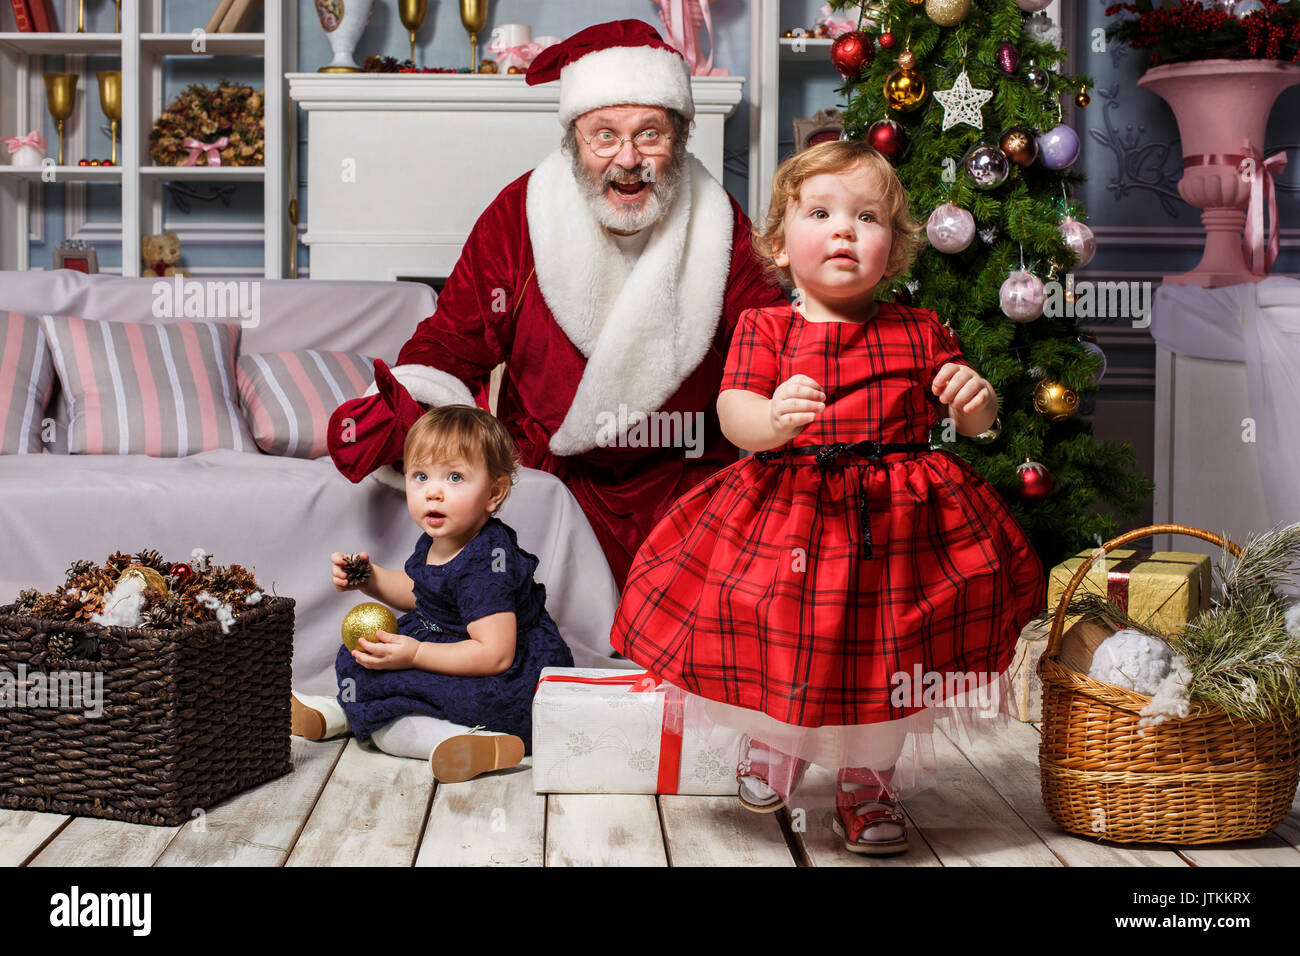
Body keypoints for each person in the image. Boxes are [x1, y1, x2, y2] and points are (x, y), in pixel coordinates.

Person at [608, 141, 1046, 854]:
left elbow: (974, 417)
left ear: (894, 252)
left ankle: (867, 781)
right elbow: (732, 412)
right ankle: (776, 744)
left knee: (887, 652)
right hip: (792, 510)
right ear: (780, 247)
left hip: (897, 525)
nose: (845, 229)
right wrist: (772, 420)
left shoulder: (920, 329)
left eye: (867, 217)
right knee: (772, 629)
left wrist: (977, 401)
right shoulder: (767, 327)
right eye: (822, 213)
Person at [327, 19, 787, 591]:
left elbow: (771, 335)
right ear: (574, 142)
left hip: (688, 480)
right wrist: (404, 404)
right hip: (553, 483)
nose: (628, 159)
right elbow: (455, 335)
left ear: (680, 138)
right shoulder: (522, 214)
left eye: (651, 134)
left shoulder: (718, 222)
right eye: (604, 135)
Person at [293, 404, 574, 783]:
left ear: (494, 492)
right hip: (449, 646)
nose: (433, 493)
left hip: (504, 680)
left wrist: (417, 653)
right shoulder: (439, 539)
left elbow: (495, 655)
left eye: (455, 477)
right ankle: (344, 712)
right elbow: (422, 592)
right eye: (421, 476)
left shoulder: (487, 562)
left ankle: (468, 740)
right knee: (362, 659)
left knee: (405, 694)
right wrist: (371, 578)